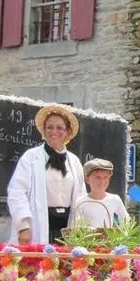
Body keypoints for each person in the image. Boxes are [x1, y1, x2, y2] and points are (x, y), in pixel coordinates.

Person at [7, 104, 85, 245]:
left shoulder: (74, 161)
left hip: (67, 228)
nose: (54, 131)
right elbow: (17, 192)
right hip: (38, 224)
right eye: (50, 127)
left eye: (59, 127)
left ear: (68, 132)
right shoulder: (30, 158)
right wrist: (24, 226)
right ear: (44, 130)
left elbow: (81, 197)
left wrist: (80, 225)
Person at [69, 158, 129, 228]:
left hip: (109, 238)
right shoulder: (80, 201)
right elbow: (75, 225)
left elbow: (126, 220)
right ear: (87, 179)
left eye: (105, 177)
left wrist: (120, 232)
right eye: (97, 177)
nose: (102, 181)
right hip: (88, 238)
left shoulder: (115, 199)